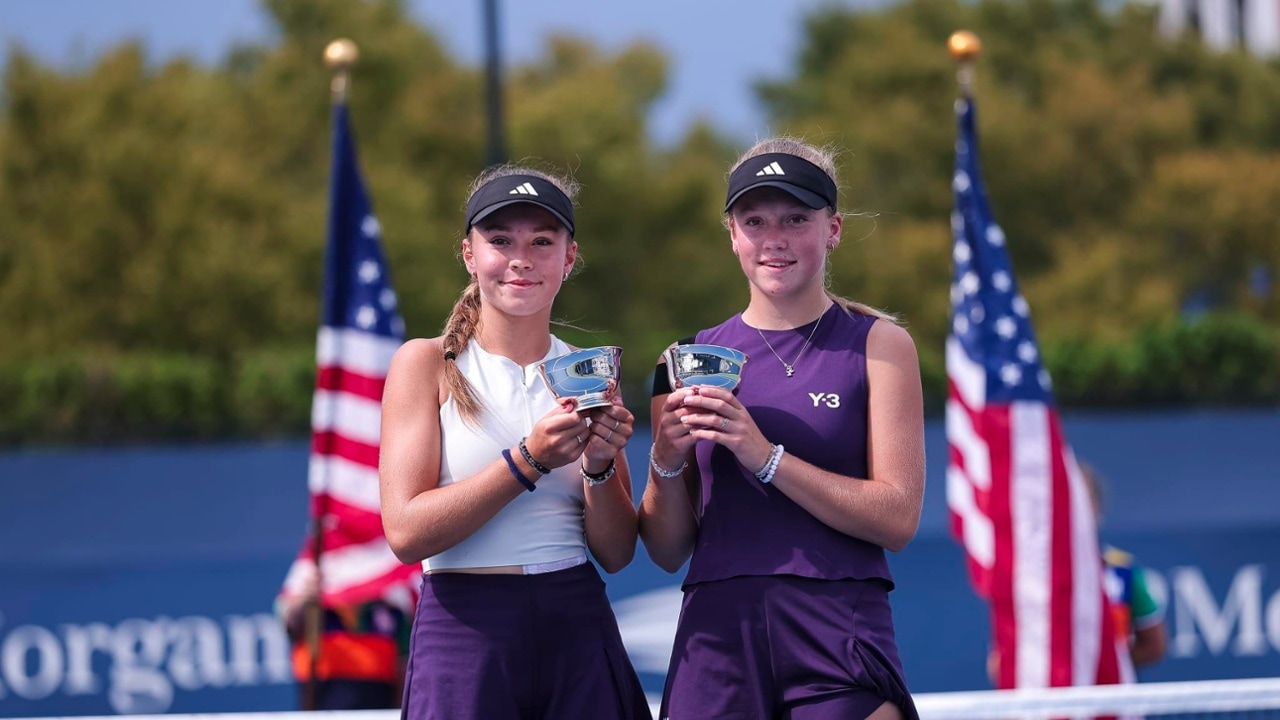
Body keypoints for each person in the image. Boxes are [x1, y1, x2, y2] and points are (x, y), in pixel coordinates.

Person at [639, 138, 925, 720]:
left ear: (834, 229)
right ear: (733, 235)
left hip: (838, 621)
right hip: (718, 629)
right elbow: (667, 550)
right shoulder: (686, 358)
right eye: (756, 220)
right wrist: (665, 461)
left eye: (796, 219)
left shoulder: (879, 343)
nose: (775, 239)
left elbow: (897, 518)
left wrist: (764, 456)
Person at [378, 164, 652, 720]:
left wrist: (599, 466)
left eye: (542, 241)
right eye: (500, 240)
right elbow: (406, 533)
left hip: (576, 619)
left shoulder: (588, 371)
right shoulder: (424, 362)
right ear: (469, 254)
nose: (521, 258)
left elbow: (617, 553)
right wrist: (528, 459)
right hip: (464, 628)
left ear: (569, 257)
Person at [276, 568, 415, 710]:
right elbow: (291, 628)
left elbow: (403, 670)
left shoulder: (392, 609)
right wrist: (305, 600)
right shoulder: (312, 611)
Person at [1084, 463, 1168, 670]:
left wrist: (1103, 672)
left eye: (1084, 502)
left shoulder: (1122, 571)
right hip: (1050, 699)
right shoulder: (1030, 576)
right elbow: (999, 663)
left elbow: (1154, 645)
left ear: (1097, 508)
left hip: (1109, 699)